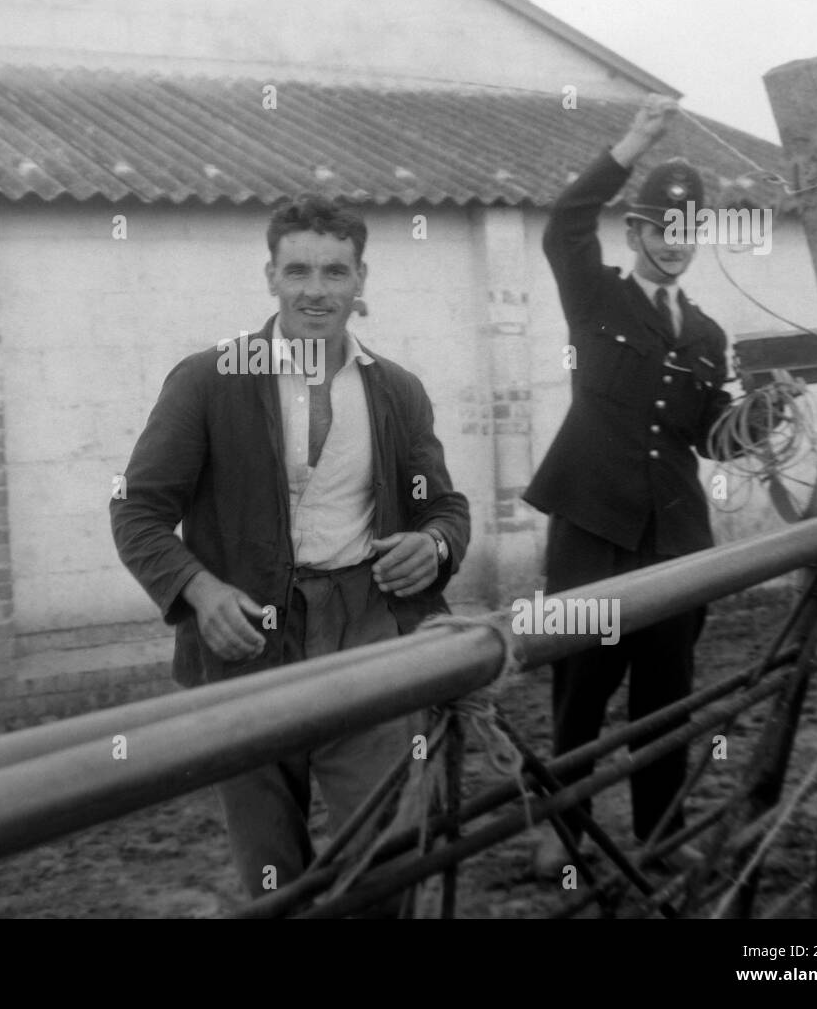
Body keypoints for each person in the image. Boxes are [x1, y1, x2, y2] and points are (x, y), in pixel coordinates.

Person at [110, 194, 470, 900]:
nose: (316, 290)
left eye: (335, 272)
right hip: (245, 648)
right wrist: (200, 590)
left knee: (384, 854)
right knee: (271, 872)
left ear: (360, 281)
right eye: (298, 270)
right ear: (269, 276)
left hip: (367, 632)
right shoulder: (209, 380)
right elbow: (137, 510)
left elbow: (445, 507)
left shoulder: (395, 390)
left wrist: (433, 544)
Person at [523, 94, 753, 879]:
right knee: (580, 689)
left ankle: (661, 833)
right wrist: (634, 141)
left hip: (675, 537)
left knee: (668, 695)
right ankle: (561, 830)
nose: (678, 245)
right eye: (665, 228)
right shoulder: (597, 296)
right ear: (638, 231)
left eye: (690, 232)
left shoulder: (707, 334)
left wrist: (762, 412)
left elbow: (713, 436)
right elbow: (564, 223)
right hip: (592, 528)